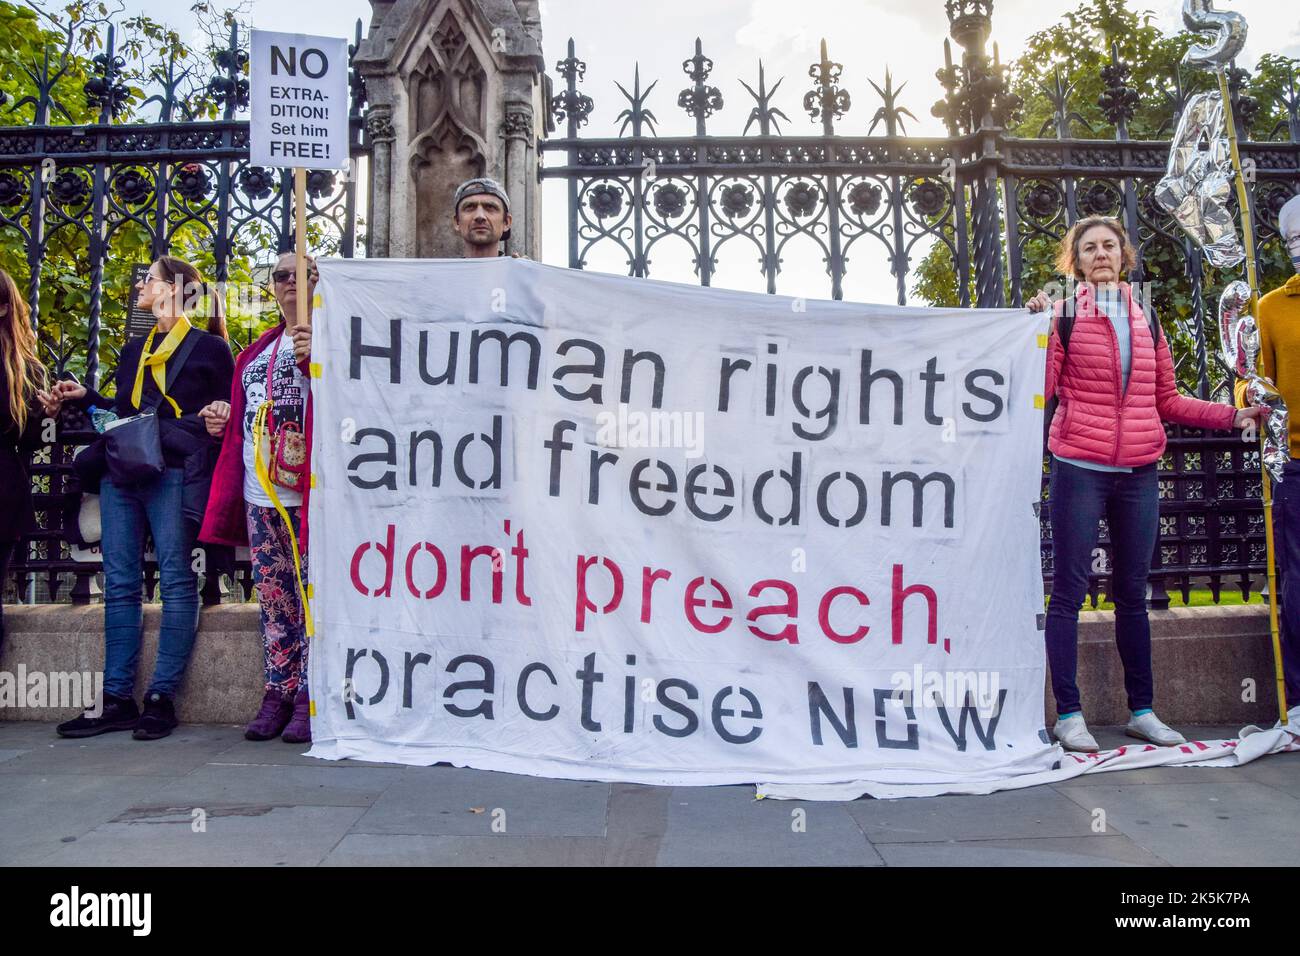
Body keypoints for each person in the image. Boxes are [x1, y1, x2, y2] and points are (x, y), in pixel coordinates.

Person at [1026, 215, 1264, 752]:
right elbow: (1040, 392)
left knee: (1132, 595)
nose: (1101, 254)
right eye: (1089, 248)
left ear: (1123, 254)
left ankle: (1143, 710)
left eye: (1109, 245)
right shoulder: (1063, 315)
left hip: (1138, 470)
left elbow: (1169, 401)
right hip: (1079, 467)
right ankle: (1068, 713)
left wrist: (1233, 416)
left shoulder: (1146, 319)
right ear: (1076, 261)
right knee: (1068, 592)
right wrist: (1034, 333)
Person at [41, 256, 233, 740]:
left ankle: (160, 697)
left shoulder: (210, 348)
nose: (141, 286)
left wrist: (211, 415)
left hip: (172, 473)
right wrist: (84, 396)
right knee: (120, 582)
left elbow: (226, 414)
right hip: (122, 472)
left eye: (150, 279)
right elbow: (126, 414)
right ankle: (116, 699)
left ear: (176, 289)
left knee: (175, 578)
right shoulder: (135, 349)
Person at [199, 252, 316, 744]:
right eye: (282, 275)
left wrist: (324, 361)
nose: (292, 282)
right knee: (274, 599)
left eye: (304, 274)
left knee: (315, 598)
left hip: (313, 498)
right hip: (260, 496)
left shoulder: (334, 341)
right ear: (272, 288)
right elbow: (242, 416)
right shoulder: (254, 354)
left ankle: (314, 694)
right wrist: (220, 417)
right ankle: (279, 691)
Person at [1237, 194, 1300, 716]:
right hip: (1295, 464)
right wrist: (1254, 397)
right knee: (1298, 582)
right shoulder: (1271, 307)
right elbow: (1249, 384)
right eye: (1292, 240)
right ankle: (1299, 699)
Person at [0, 268, 49, 653]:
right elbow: (29, 440)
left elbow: (30, 439)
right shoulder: (26, 368)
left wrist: (43, 413)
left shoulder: (25, 369)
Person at [452, 177, 516, 258]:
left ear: (506, 222)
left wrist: (525, 269)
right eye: (469, 207)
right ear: (457, 222)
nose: (480, 216)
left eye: (490, 207)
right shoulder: (442, 270)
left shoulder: (520, 270)